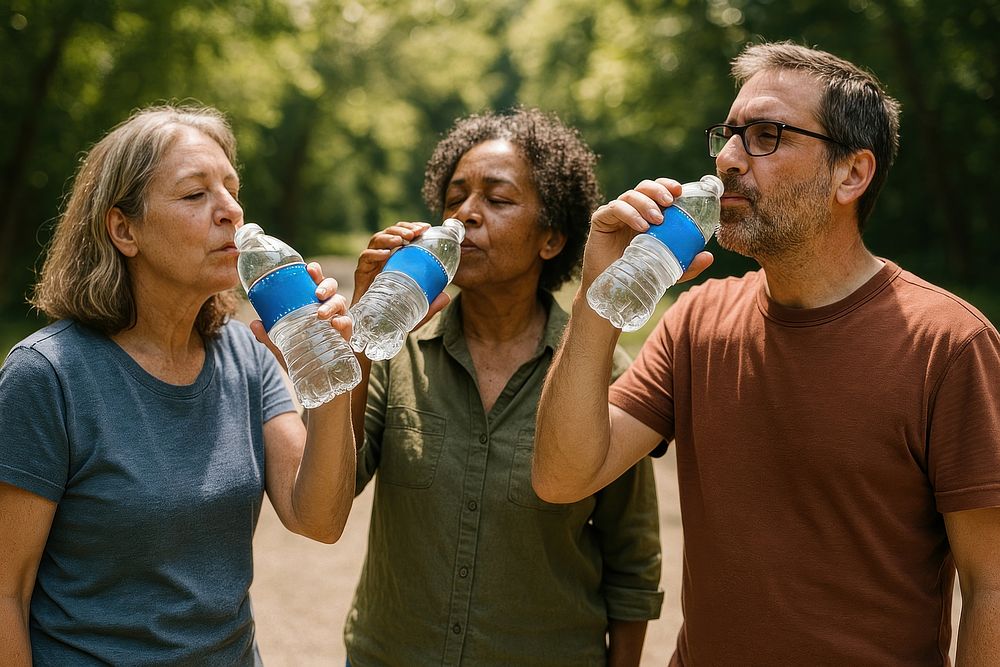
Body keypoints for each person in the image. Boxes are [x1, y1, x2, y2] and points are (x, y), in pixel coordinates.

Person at [533, 41, 1000, 666]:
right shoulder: (697, 320)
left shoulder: (948, 343)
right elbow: (563, 475)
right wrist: (599, 290)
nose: (728, 159)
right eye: (728, 135)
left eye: (766, 135)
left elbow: (990, 583)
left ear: (851, 175)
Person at [0, 105, 357, 665]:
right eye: (195, 195)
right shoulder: (47, 377)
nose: (231, 211)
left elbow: (319, 518)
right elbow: (5, 593)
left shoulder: (245, 356)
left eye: (231, 189)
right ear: (124, 229)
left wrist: (325, 366)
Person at [344, 108, 664, 666]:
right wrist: (361, 336)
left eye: (497, 199)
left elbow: (631, 557)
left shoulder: (600, 370)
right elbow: (335, 480)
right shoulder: (397, 351)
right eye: (455, 198)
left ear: (551, 239)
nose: (466, 214)